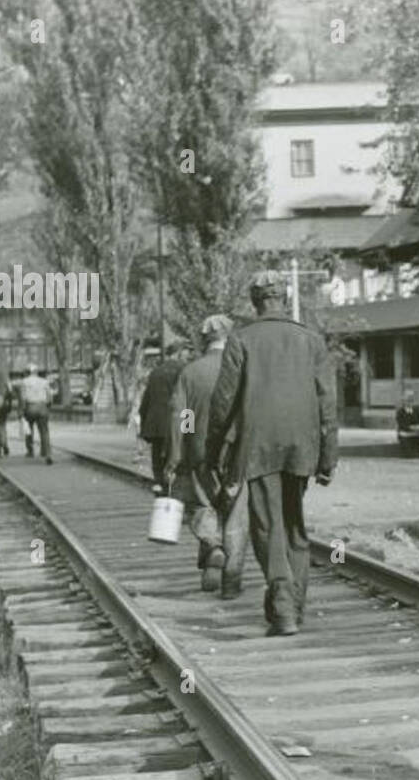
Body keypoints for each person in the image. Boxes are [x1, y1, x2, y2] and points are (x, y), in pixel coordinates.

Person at [206, 271, 338, 636]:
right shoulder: (311, 340)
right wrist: (329, 456)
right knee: (295, 523)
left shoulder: (241, 340)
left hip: (258, 446)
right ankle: (295, 603)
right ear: (284, 296)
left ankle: (282, 604)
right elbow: (328, 402)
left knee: (267, 524)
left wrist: (214, 451)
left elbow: (222, 404)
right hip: (303, 446)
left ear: (255, 301)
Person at [166, 314, 250, 595]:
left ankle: (212, 545)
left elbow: (183, 414)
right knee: (236, 511)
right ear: (231, 336)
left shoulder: (191, 372)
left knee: (204, 504)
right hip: (237, 449)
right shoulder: (243, 367)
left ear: (204, 340)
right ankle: (232, 581)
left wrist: (180, 451)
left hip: (200, 450)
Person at [139, 344, 184, 493]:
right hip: (176, 422)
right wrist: (189, 428)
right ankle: (172, 486)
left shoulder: (155, 372)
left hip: (156, 423)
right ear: (178, 353)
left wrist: (144, 424)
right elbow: (186, 401)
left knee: (157, 453)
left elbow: (146, 400)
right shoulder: (184, 370)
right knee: (176, 454)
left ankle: (159, 483)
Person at [17, 364, 53, 464]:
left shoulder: (24, 382)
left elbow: (23, 398)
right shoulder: (44, 381)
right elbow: (49, 397)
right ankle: (46, 451)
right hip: (42, 407)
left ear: (27, 372)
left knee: (29, 430)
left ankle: (30, 450)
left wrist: (21, 410)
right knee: (44, 430)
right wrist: (47, 407)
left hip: (30, 407)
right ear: (36, 372)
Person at [395, 389, 419, 457]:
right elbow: (402, 425)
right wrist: (412, 428)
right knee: (411, 453)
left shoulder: (416, 410)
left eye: (411, 400)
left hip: (416, 434)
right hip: (405, 435)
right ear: (403, 400)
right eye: (408, 399)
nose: (409, 402)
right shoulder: (400, 412)